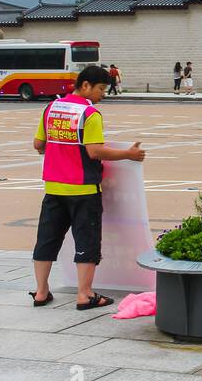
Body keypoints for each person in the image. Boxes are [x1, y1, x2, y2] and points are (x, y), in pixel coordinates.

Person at [29, 65, 146, 310]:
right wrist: (128, 154)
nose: (103, 94)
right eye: (101, 89)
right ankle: (84, 295)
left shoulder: (52, 108)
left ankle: (41, 292)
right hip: (83, 189)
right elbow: (95, 151)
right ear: (85, 86)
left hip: (53, 188)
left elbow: (38, 143)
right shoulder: (89, 114)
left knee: (47, 240)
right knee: (87, 242)